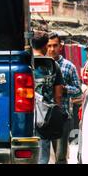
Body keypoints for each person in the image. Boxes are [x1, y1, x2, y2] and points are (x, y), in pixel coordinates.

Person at [46, 32, 82, 164]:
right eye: (49, 46)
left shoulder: (69, 66)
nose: (52, 49)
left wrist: (64, 89)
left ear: (60, 47)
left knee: (60, 155)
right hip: (43, 118)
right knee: (44, 156)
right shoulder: (40, 66)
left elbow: (78, 90)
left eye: (55, 45)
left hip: (62, 116)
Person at [31, 31, 64, 164]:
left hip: (23, 113)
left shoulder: (24, 63)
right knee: (43, 154)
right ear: (45, 46)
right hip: (44, 116)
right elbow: (58, 94)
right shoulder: (52, 65)